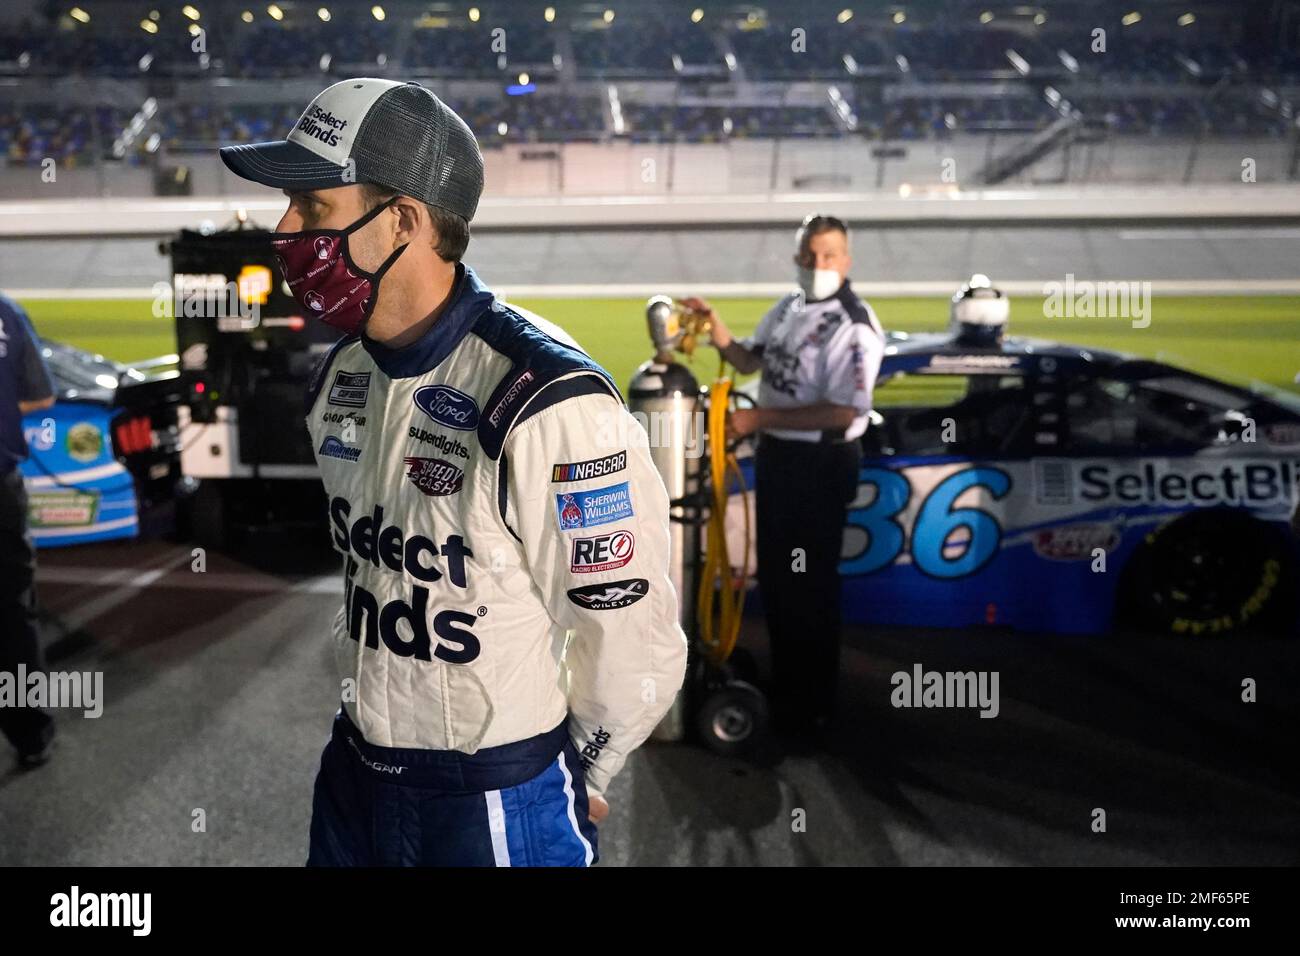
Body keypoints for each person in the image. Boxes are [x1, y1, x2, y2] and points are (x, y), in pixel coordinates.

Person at [219, 78, 688, 866]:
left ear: (402, 220)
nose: (284, 228)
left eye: (312, 207)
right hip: (355, 775)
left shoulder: (545, 396)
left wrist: (583, 771)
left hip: (499, 797)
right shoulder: (338, 378)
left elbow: (630, 634)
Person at [685, 214, 884, 742]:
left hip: (818, 466)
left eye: (829, 255)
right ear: (798, 258)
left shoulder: (855, 324)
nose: (819, 265)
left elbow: (845, 412)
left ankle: (813, 709)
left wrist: (757, 420)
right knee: (778, 580)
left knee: (809, 587)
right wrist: (715, 327)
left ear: (846, 260)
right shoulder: (789, 308)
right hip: (779, 459)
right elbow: (750, 360)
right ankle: (788, 688)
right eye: (810, 255)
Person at [0, 293, 57, 769]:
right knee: (14, 613)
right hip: (2, 487)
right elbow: (40, 395)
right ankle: (30, 733)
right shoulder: (7, 312)